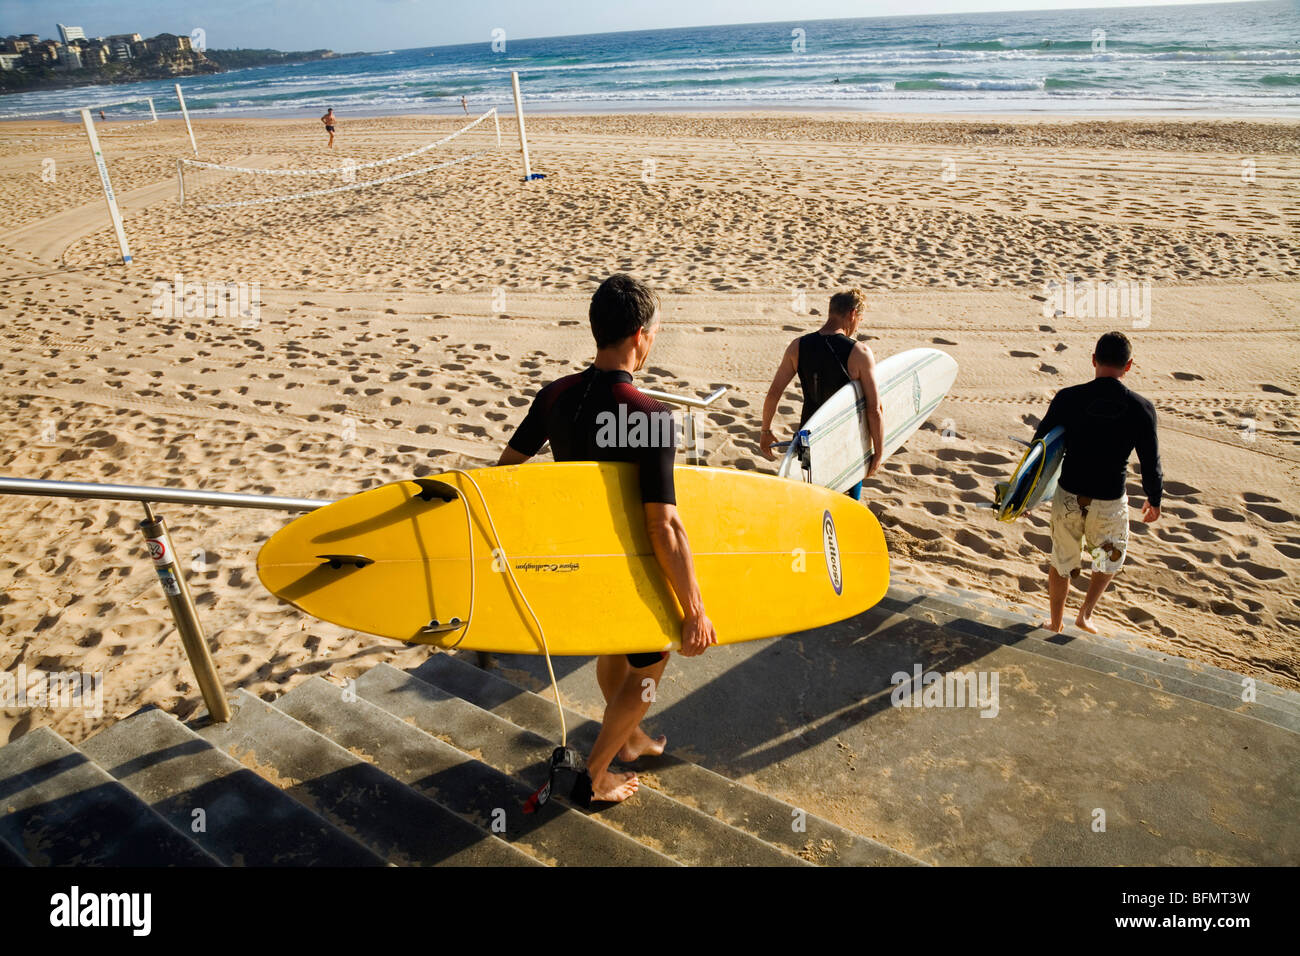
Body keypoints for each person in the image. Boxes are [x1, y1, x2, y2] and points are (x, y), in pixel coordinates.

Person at [498, 273, 717, 804]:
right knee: (651, 660)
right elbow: (663, 525)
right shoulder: (651, 418)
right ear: (640, 334)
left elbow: (505, 476)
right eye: (655, 332)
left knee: (615, 648)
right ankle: (593, 775)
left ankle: (631, 739)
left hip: (579, 564)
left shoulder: (554, 396)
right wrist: (693, 608)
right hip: (630, 567)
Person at [1035, 331, 1162, 633]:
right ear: (1129, 366)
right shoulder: (1141, 408)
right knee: (1108, 560)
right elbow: (1150, 461)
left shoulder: (1068, 398)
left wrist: (1029, 496)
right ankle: (1085, 614)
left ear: (1093, 360)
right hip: (1109, 500)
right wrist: (1154, 498)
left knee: (1061, 561)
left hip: (1068, 495)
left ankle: (1055, 623)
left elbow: (1039, 448)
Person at [759, 288, 883, 499]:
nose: (856, 327)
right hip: (844, 442)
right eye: (859, 320)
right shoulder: (859, 353)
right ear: (853, 314)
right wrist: (879, 452)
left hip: (807, 439)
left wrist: (765, 430)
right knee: (846, 506)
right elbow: (874, 409)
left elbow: (773, 394)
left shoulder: (797, 346)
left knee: (810, 499)